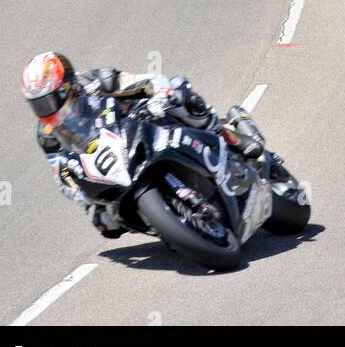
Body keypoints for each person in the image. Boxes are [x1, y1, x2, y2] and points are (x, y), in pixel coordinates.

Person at [21, 53, 264, 238]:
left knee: (179, 93)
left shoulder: (97, 81)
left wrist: (159, 96)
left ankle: (226, 133)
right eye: (38, 105)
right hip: (109, 162)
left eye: (48, 100)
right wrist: (77, 191)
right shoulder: (48, 134)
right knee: (104, 223)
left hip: (143, 123)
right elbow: (61, 171)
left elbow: (147, 81)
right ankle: (171, 223)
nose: (45, 110)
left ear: (66, 87)